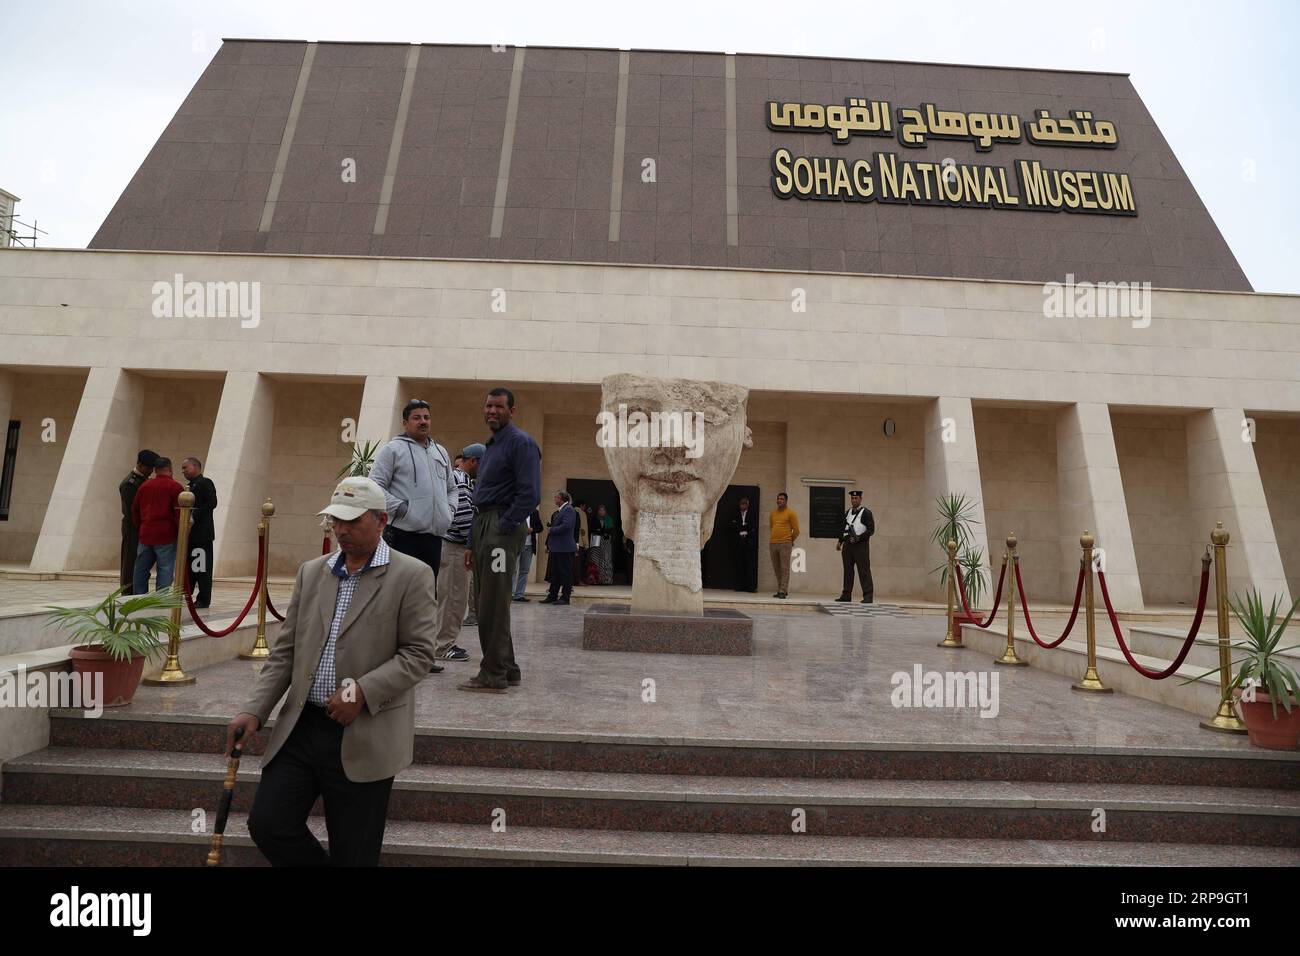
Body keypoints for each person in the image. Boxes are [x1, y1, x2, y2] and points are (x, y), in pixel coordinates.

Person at [225, 477, 438, 867]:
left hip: (365, 731)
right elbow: (286, 650)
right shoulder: (312, 572)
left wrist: (362, 691)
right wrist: (254, 710)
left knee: (354, 852)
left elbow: (419, 653)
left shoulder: (412, 575)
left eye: (353, 521)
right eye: (336, 520)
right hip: (302, 726)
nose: (341, 529)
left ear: (381, 521)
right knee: (269, 824)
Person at [459, 387, 541, 693]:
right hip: (483, 524)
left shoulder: (521, 443)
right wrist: (471, 541)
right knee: (486, 600)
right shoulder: (492, 445)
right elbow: (480, 498)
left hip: (499, 528)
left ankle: (492, 674)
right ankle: (507, 667)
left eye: (499, 407)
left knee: (491, 603)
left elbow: (530, 493)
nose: (492, 411)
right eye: (488, 406)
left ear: (512, 410)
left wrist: (504, 527)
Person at [369, 399, 457, 590]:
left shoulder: (440, 452)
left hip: (433, 537)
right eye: (417, 418)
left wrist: (448, 511)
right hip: (403, 536)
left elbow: (452, 489)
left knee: (426, 592)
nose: (423, 421)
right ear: (405, 423)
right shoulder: (392, 449)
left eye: (426, 417)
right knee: (399, 591)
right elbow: (375, 486)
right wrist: (402, 509)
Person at [433, 444, 482, 664]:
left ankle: (444, 642)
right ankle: (443, 645)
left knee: (451, 598)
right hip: (456, 548)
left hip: (452, 546)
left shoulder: (458, 479)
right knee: (453, 599)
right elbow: (463, 518)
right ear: (474, 462)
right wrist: (472, 544)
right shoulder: (461, 481)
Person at [131, 457, 183, 594]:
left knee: (141, 568)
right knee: (165, 568)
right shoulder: (175, 487)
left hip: (146, 533)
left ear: (155, 470)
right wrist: (181, 532)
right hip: (166, 534)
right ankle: (161, 599)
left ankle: (138, 597)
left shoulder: (144, 486)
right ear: (170, 469)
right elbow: (179, 514)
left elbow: (135, 510)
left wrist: (140, 526)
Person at [118, 449, 158, 593]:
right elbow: (131, 511)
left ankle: (138, 589)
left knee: (141, 560)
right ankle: (128, 590)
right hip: (132, 526)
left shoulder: (143, 480)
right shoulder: (130, 483)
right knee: (130, 560)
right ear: (140, 465)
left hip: (142, 526)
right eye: (149, 468)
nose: (151, 471)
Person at [180, 457, 217, 609]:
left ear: (195, 467)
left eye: (185, 468)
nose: (183, 471)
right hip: (191, 536)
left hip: (202, 536)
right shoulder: (190, 486)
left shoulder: (205, 482)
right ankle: (188, 596)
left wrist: (194, 515)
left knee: (201, 568)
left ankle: (203, 599)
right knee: (191, 568)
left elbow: (212, 503)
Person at [836, 490, 875, 603]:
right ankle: (846, 594)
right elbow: (843, 529)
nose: (854, 500)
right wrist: (840, 541)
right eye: (852, 498)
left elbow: (871, 530)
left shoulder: (866, 513)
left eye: (856, 498)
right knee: (847, 570)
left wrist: (859, 538)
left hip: (861, 545)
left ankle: (868, 595)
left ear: (860, 499)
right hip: (848, 545)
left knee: (863, 570)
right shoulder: (847, 512)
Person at [542, 491, 578, 605]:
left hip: (564, 547)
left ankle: (565, 597)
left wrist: (552, 529)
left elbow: (567, 526)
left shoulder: (569, 509)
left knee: (565, 573)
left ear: (562, 499)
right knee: (555, 573)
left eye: (556, 497)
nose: (554, 499)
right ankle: (552, 595)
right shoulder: (562, 510)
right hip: (557, 547)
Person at [768, 492, 799, 599]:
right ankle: (781, 589)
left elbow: (797, 530)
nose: (779, 500)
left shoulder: (791, 513)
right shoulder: (773, 513)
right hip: (773, 543)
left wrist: (790, 540)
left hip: (785, 543)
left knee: (784, 568)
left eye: (781, 499)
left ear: (786, 501)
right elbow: (772, 527)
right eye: (778, 499)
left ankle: (783, 590)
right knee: (777, 568)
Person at [513, 508, 543, 602]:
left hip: (529, 545)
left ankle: (519, 594)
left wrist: (532, 529)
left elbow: (540, 527)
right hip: (516, 544)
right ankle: (511, 593)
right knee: (513, 570)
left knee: (524, 571)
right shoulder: (515, 510)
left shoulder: (534, 512)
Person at [730, 496, 758, 592]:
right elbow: (733, 525)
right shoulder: (735, 513)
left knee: (749, 564)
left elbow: (753, 526)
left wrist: (746, 530)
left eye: (744, 503)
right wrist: (742, 529)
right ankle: (739, 586)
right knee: (739, 563)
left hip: (749, 541)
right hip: (738, 541)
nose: (742, 505)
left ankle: (750, 587)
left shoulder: (752, 513)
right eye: (741, 504)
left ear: (747, 504)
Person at [591, 503, 614, 585]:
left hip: (606, 542)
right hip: (596, 540)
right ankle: (596, 579)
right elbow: (593, 529)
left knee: (606, 559)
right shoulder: (594, 519)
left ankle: (606, 579)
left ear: (605, 511)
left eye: (603, 510)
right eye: (600, 510)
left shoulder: (609, 519)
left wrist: (605, 533)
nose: (601, 512)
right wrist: (601, 532)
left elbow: (611, 530)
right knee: (595, 559)